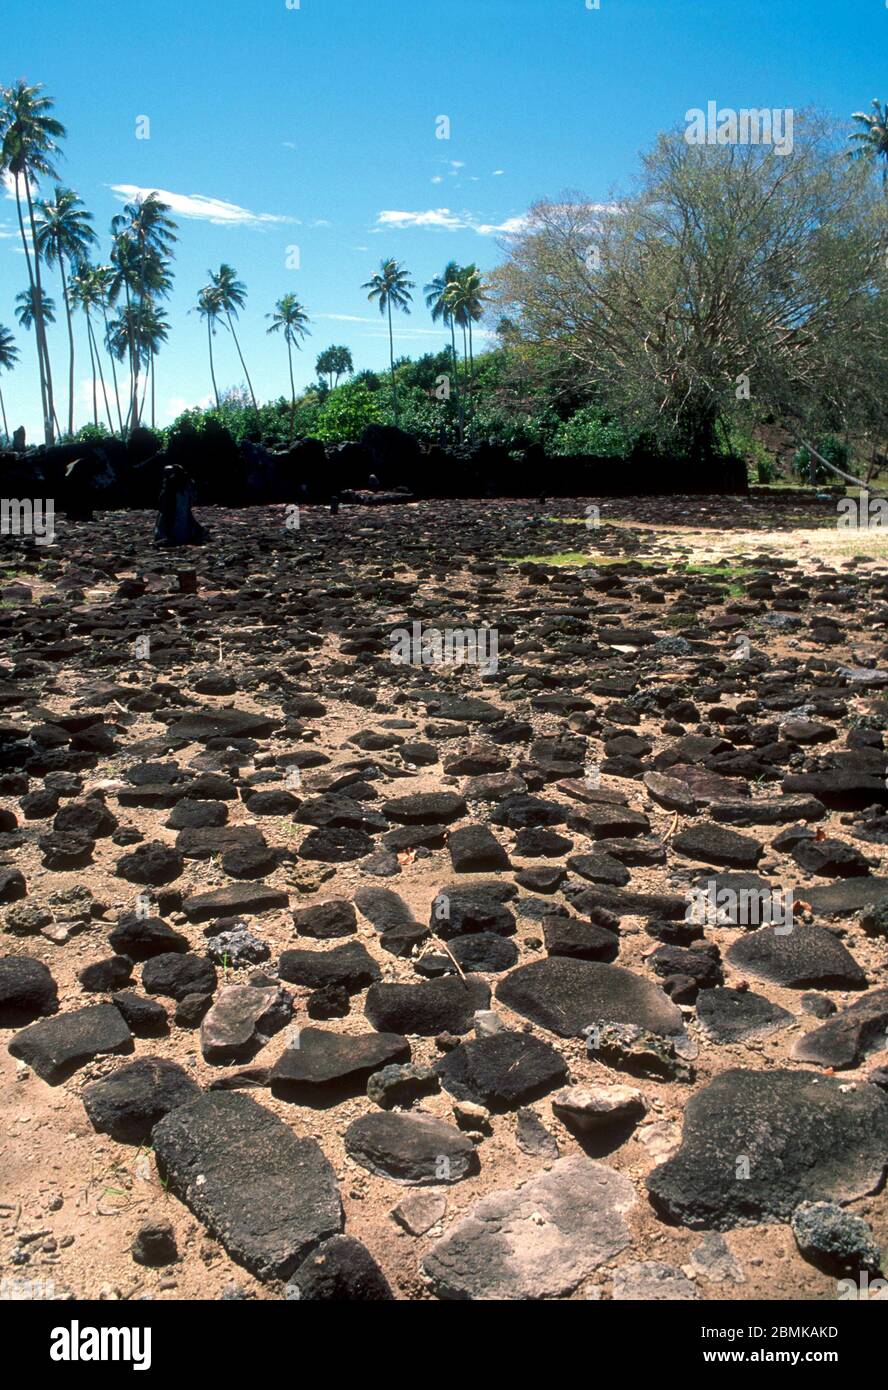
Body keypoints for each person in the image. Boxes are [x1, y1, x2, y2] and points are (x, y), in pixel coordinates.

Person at [154, 463, 208, 545]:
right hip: (180, 507)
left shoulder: (173, 483)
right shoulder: (185, 482)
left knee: (172, 522)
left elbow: (167, 499)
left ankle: (173, 537)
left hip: (174, 508)